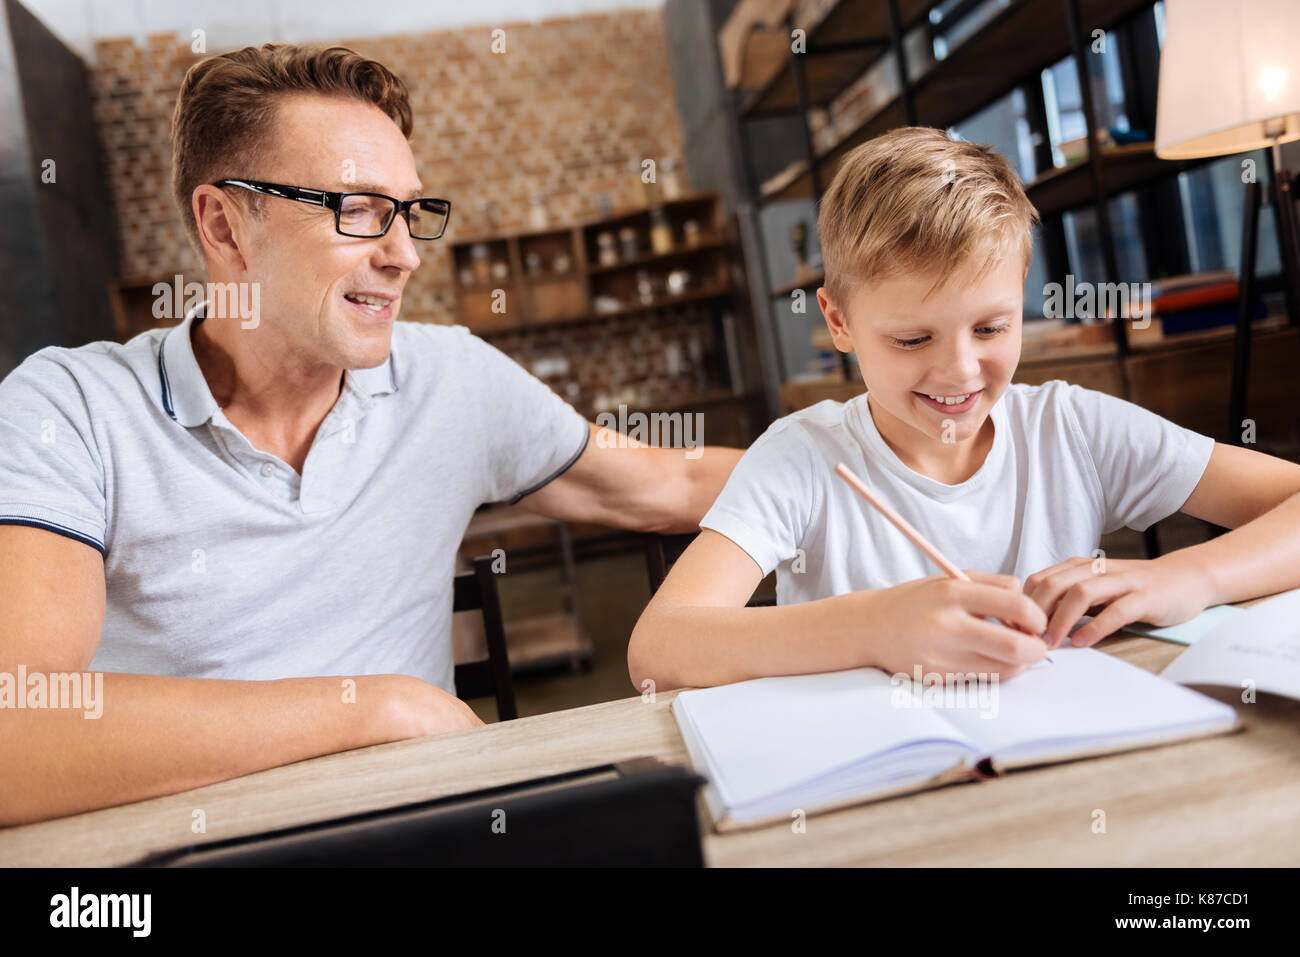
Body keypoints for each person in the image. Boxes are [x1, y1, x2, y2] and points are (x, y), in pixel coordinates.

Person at [0, 44, 740, 826]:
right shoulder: (70, 408)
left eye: (410, 210)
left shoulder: (450, 379)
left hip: (422, 835)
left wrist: (863, 441)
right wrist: (374, 711)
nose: (405, 255)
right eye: (356, 209)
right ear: (224, 225)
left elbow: (675, 483)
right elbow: (17, 720)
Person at [629, 126, 1300, 693]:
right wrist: (877, 626)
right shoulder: (804, 456)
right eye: (912, 338)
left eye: (990, 329)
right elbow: (659, 646)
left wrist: (1189, 574)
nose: (959, 370)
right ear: (838, 321)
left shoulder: (1072, 428)